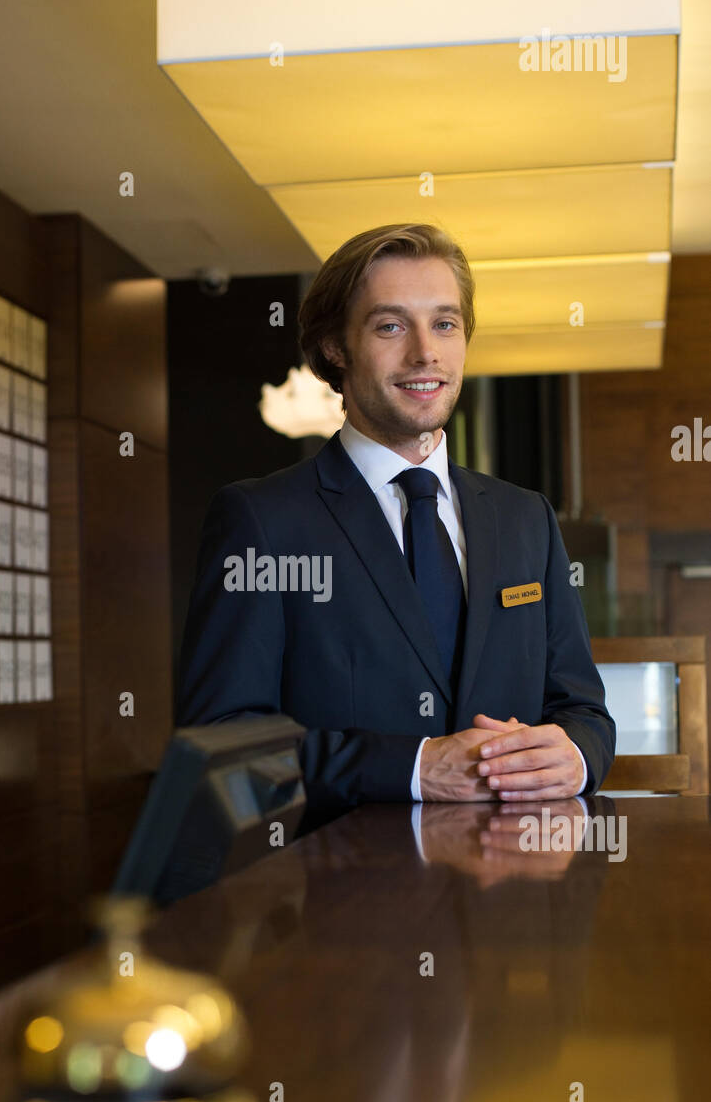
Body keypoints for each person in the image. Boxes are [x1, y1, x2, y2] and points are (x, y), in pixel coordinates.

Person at [176, 223, 615, 830]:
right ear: (334, 346)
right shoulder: (262, 519)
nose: (425, 354)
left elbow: (583, 710)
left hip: (512, 901)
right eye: (390, 326)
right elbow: (221, 745)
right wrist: (412, 767)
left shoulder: (525, 518)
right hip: (337, 902)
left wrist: (576, 755)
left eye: (445, 323)